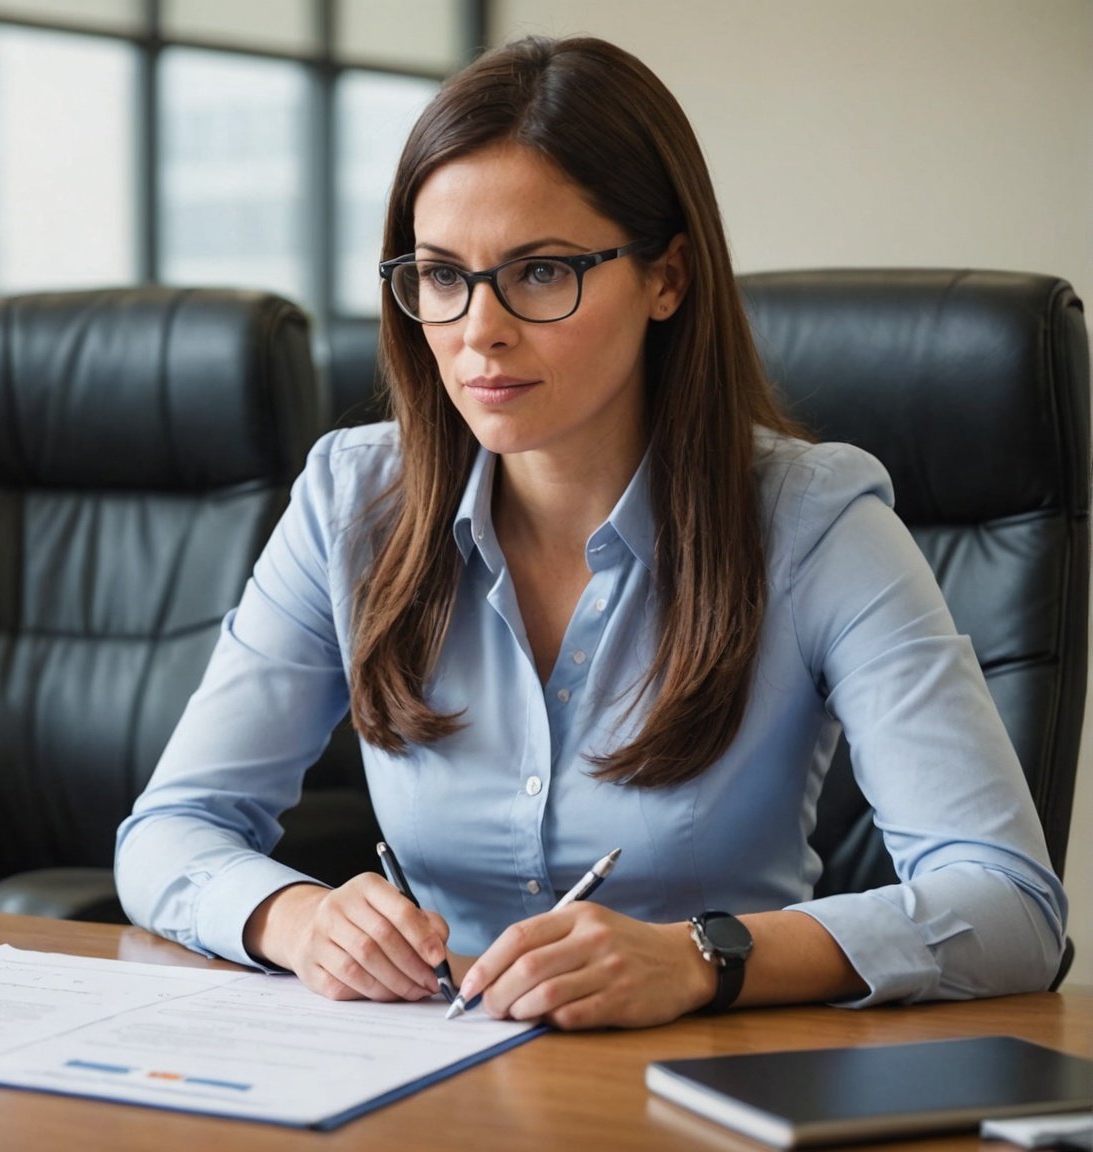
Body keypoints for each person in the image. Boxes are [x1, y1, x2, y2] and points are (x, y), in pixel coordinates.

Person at [113, 34, 1066, 1030]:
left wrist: (702, 957)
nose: (479, 328)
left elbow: (1007, 904)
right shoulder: (353, 501)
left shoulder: (812, 522)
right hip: (421, 1075)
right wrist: (297, 918)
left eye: (541, 272)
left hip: (704, 1083)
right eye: (442, 276)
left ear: (668, 278)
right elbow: (169, 832)